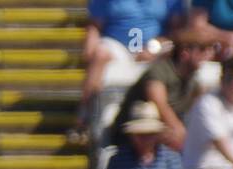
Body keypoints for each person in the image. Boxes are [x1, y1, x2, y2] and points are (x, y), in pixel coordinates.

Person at [76, 0, 186, 137]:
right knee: (100, 54)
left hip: (155, 47)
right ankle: (85, 113)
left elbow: (177, 30)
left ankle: (169, 121)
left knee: (169, 54)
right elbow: (95, 25)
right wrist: (90, 50)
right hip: (118, 45)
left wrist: (154, 46)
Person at [110, 23, 219, 150]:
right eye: (202, 49)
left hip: (162, 135)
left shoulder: (192, 81)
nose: (208, 54)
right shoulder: (159, 72)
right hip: (133, 137)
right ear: (185, 52)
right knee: (176, 139)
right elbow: (160, 105)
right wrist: (184, 137)